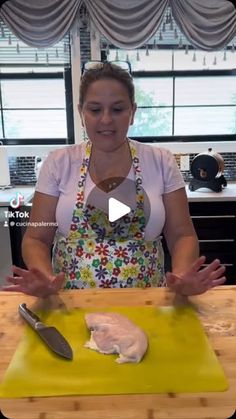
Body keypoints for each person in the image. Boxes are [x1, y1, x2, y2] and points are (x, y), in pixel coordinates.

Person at [3, 61, 226, 298]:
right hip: (72, 308)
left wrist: (181, 275)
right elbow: (36, 237)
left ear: (132, 113)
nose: (106, 120)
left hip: (147, 307)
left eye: (118, 109)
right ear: (81, 113)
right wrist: (45, 277)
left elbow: (182, 235)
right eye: (95, 109)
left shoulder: (161, 161)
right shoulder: (59, 163)